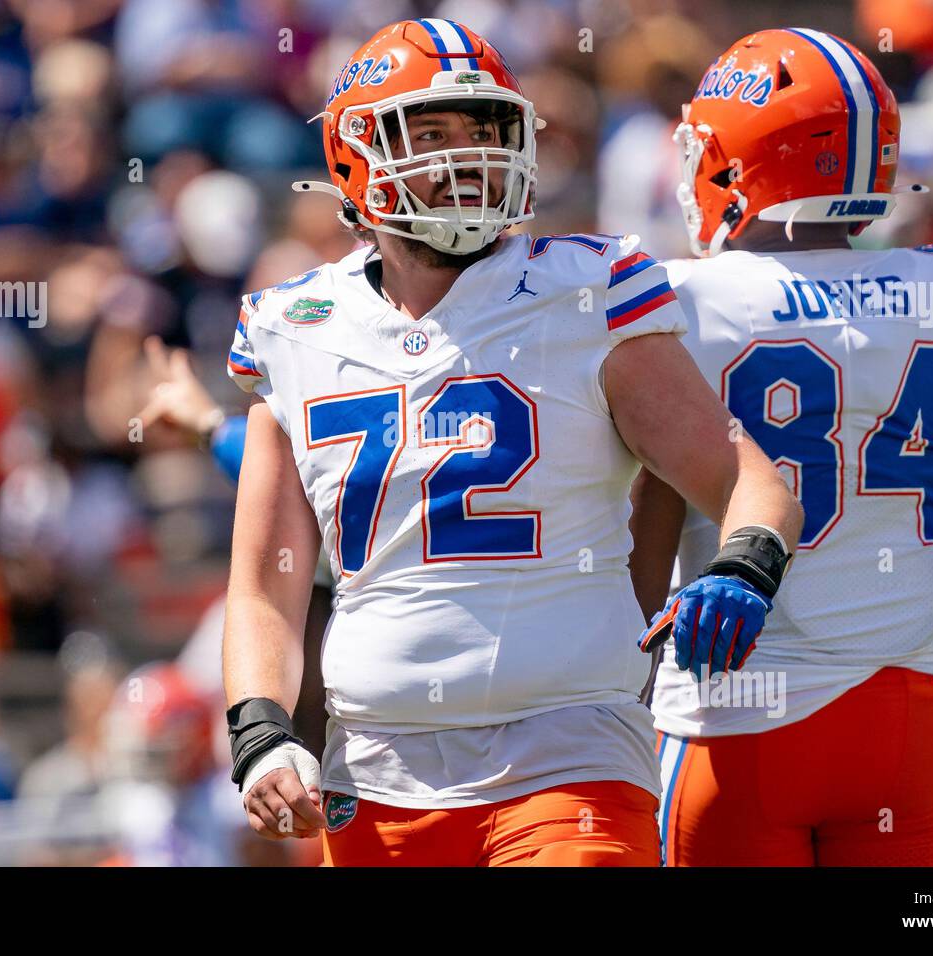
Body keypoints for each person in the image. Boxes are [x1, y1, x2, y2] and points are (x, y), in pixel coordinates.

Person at [220, 18, 801, 867]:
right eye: (433, 132)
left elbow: (748, 481)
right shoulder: (294, 325)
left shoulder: (588, 290)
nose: (470, 154)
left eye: (486, 129)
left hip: (569, 753)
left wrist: (746, 566)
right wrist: (262, 732)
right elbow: (264, 585)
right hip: (375, 772)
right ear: (354, 156)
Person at [633, 28, 933, 866]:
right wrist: (928, 606)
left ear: (741, 161)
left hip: (735, 712)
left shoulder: (677, 299)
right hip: (901, 710)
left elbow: (650, 504)